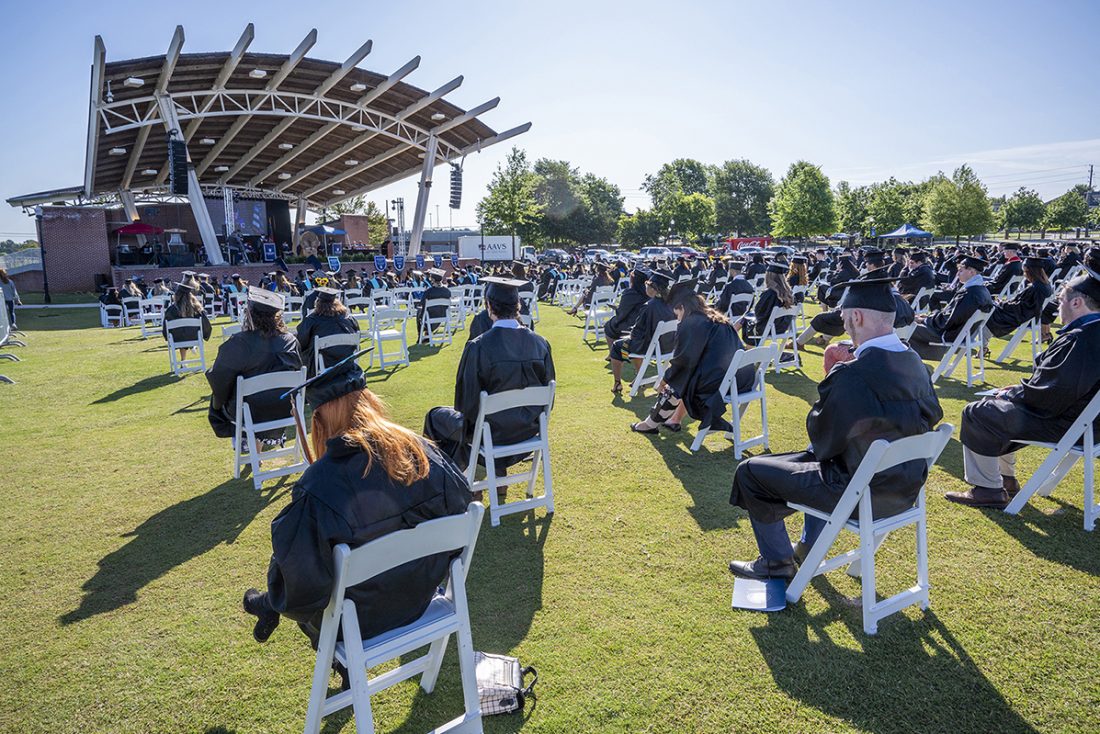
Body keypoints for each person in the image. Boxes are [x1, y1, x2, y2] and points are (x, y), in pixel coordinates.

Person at [241, 359, 473, 688]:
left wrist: (278, 593)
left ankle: (275, 610)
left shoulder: (319, 484)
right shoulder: (423, 453)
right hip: (420, 599)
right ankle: (269, 604)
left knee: (299, 566)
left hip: (359, 623)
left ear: (319, 419)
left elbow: (303, 592)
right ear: (369, 400)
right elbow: (460, 512)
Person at [728, 279, 944, 580]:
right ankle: (807, 546)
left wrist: (831, 386)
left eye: (843, 313)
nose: (841, 319)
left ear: (857, 316)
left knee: (751, 472)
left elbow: (822, 438)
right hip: (903, 488)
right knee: (797, 461)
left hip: (858, 493)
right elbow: (931, 416)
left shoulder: (852, 373)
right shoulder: (915, 363)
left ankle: (776, 562)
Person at [946, 268, 1100, 508]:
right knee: (996, 407)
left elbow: (1053, 394)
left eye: (1061, 300)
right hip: (1089, 422)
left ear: (1077, 303)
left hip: (1070, 424)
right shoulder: (1091, 333)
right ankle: (1006, 479)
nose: (1057, 306)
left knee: (978, 413)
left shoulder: (1081, 339)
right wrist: (1019, 390)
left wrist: (1013, 394)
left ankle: (987, 489)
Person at [423, 277, 556, 472]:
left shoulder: (478, 346)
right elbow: (549, 401)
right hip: (529, 432)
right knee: (469, 428)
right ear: (518, 305)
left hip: (490, 436)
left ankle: (450, 481)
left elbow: (465, 405)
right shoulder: (541, 343)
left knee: (435, 418)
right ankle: (494, 475)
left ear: (489, 306)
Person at [631, 283, 755, 434]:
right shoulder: (717, 319)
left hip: (724, 383)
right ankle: (673, 420)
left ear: (682, 307)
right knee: (688, 377)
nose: (677, 318)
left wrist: (663, 381)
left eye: (677, 313)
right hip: (743, 379)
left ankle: (650, 424)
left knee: (678, 382)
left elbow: (682, 361)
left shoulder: (692, 323)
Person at [206, 287, 303, 440]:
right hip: (286, 409)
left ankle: (248, 439)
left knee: (222, 393)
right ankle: (261, 440)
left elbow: (219, 378)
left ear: (249, 314)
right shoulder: (290, 341)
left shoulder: (239, 343)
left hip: (250, 414)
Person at [907, 255, 994, 361]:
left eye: (961, 271)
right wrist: (929, 317)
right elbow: (952, 315)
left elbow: (949, 321)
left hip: (946, 335)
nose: (957, 274)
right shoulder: (982, 290)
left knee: (903, 327)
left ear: (971, 272)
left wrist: (924, 320)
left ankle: (910, 362)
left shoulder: (970, 293)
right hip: (960, 334)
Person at [608, 270, 676, 394]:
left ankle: (617, 383)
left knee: (617, 346)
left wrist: (630, 334)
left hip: (649, 347)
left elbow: (636, 333)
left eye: (648, 284)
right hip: (668, 347)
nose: (646, 287)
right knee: (632, 343)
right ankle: (639, 379)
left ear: (654, 289)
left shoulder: (648, 306)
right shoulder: (671, 305)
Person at [296, 287, 360, 376]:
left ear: (318, 302)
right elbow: (357, 337)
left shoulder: (311, 320)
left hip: (321, 364)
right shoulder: (349, 318)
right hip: (347, 363)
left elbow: (300, 343)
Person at [986, 257, 1053, 339]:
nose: (1024, 274)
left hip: (1018, 317)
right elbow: (1023, 303)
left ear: (1029, 270)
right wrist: (1004, 303)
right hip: (1026, 315)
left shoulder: (1035, 288)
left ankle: (983, 343)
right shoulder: (1045, 285)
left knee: (988, 313)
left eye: (1024, 271)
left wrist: (1003, 304)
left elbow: (1021, 307)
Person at [744, 263, 794, 346]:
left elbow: (758, 313)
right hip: (782, 327)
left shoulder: (770, 293)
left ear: (768, 276)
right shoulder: (789, 293)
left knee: (745, 320)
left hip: (768, 328)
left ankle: (749, 348)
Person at [161, 281, 212, 360]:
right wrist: (204, 335)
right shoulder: (197, 309)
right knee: (188, 331)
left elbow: (165, 327)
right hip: (194, 338)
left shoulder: (171, 309)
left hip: (177, 339)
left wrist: (167, 337)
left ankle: (183, 360)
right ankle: (191, 347)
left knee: (181, 333)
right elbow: (206, 325)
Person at [603, 268, 649, 344]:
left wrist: (617, 310)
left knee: (609, 327)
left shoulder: (630, 293)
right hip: (645, 325)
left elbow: (622, 314)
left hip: (634, 326)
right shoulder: (649, 293)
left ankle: (613, 351)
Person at [416, 268, 452, 341]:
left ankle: (420, 335)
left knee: (419, 311)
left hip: (430, 317)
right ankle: (427, 333)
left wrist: (421, 317)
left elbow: (422, 303)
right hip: (443, 316)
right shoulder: (447, 291)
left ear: (432, 280)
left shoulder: (429, 291)